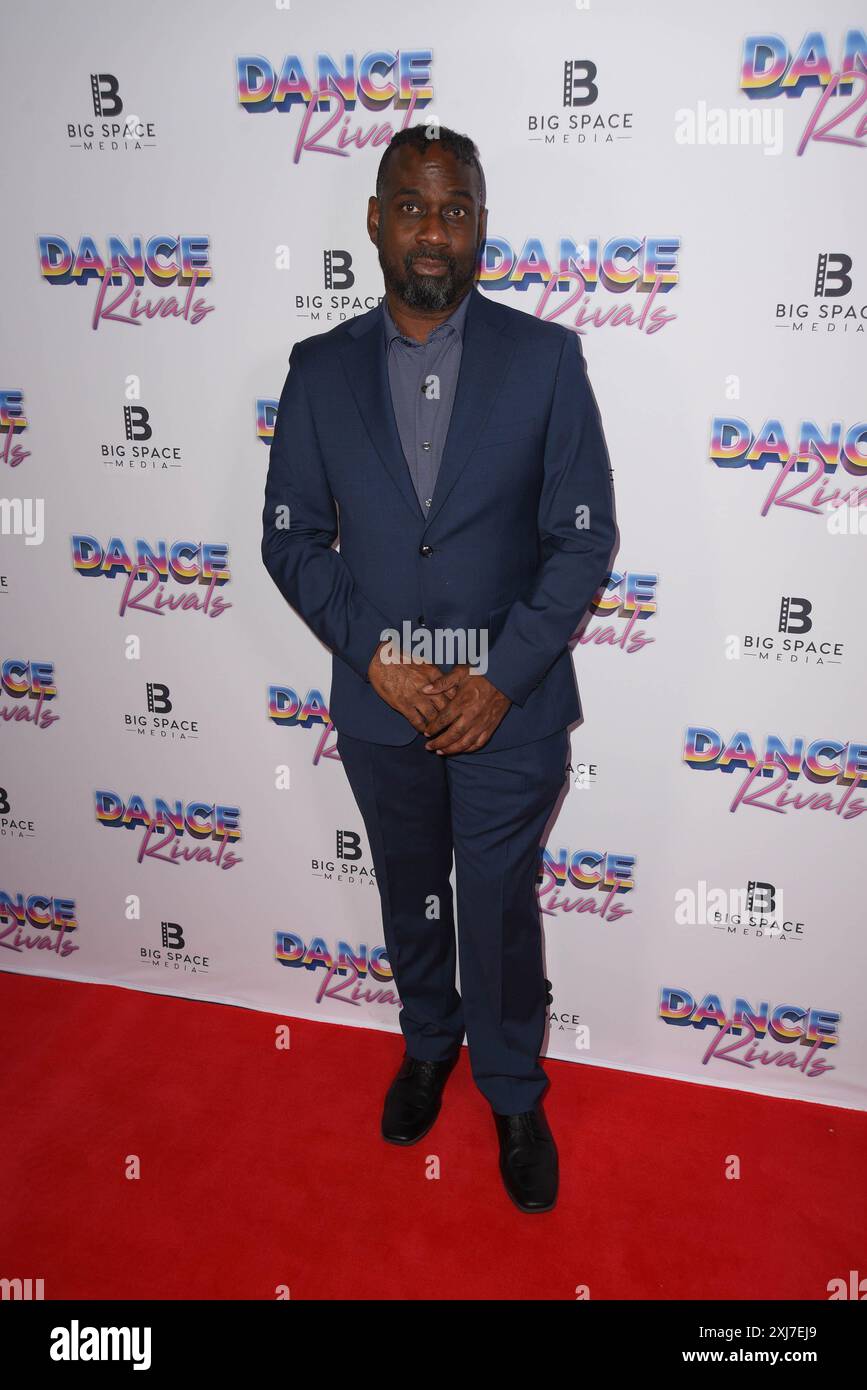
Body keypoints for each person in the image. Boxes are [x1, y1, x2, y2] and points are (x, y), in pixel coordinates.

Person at [261, 125, 616, 1213]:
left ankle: (512, 1086)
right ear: (375, 219)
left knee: (501, 903)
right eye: (412, 207)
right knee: (412, 891)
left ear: (480, 228)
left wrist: (500, 675)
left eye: (455, 209)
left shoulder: (545, 358)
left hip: (507, 708)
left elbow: (583, 538)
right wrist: (376, 657)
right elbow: (287, 537)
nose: (433, 229)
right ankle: (429, 1042)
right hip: (381, 709)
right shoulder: (319, 372)